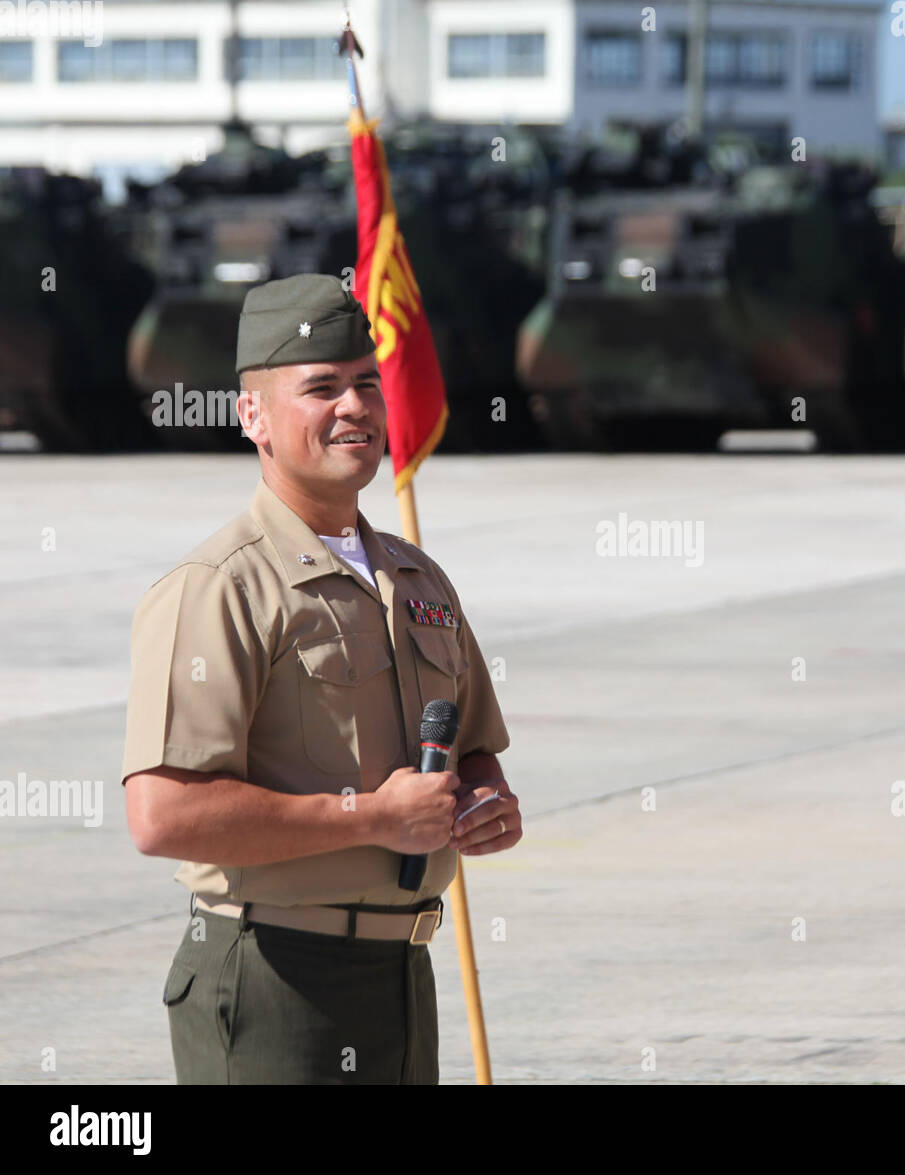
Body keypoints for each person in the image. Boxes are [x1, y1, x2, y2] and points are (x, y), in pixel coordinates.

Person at [121, 273, 521, 1084]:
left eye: (367, 384)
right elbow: (163, 814)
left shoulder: (418, 578)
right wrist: (372, 817)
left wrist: (484, 806)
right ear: (253, 416)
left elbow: (474, 753)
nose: (355, 407)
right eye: (322, 388)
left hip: (403, 977)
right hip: (275, 979)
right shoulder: (220, 586)